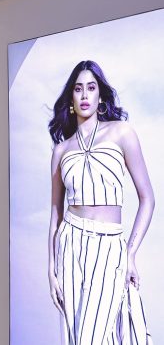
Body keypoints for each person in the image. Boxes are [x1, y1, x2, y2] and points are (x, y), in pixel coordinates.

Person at [47, 61, 155, 344]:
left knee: (91, 338)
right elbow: (56, 214)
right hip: (70, 246)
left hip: (109, 246)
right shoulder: (61, 150)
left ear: (100, 96)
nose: (84, 95)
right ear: (71, 98)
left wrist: (130, 254)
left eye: (91, 88)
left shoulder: (122, 133)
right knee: (76, 337)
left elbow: (148, 198)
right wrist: (51, 270)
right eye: (78, 89)